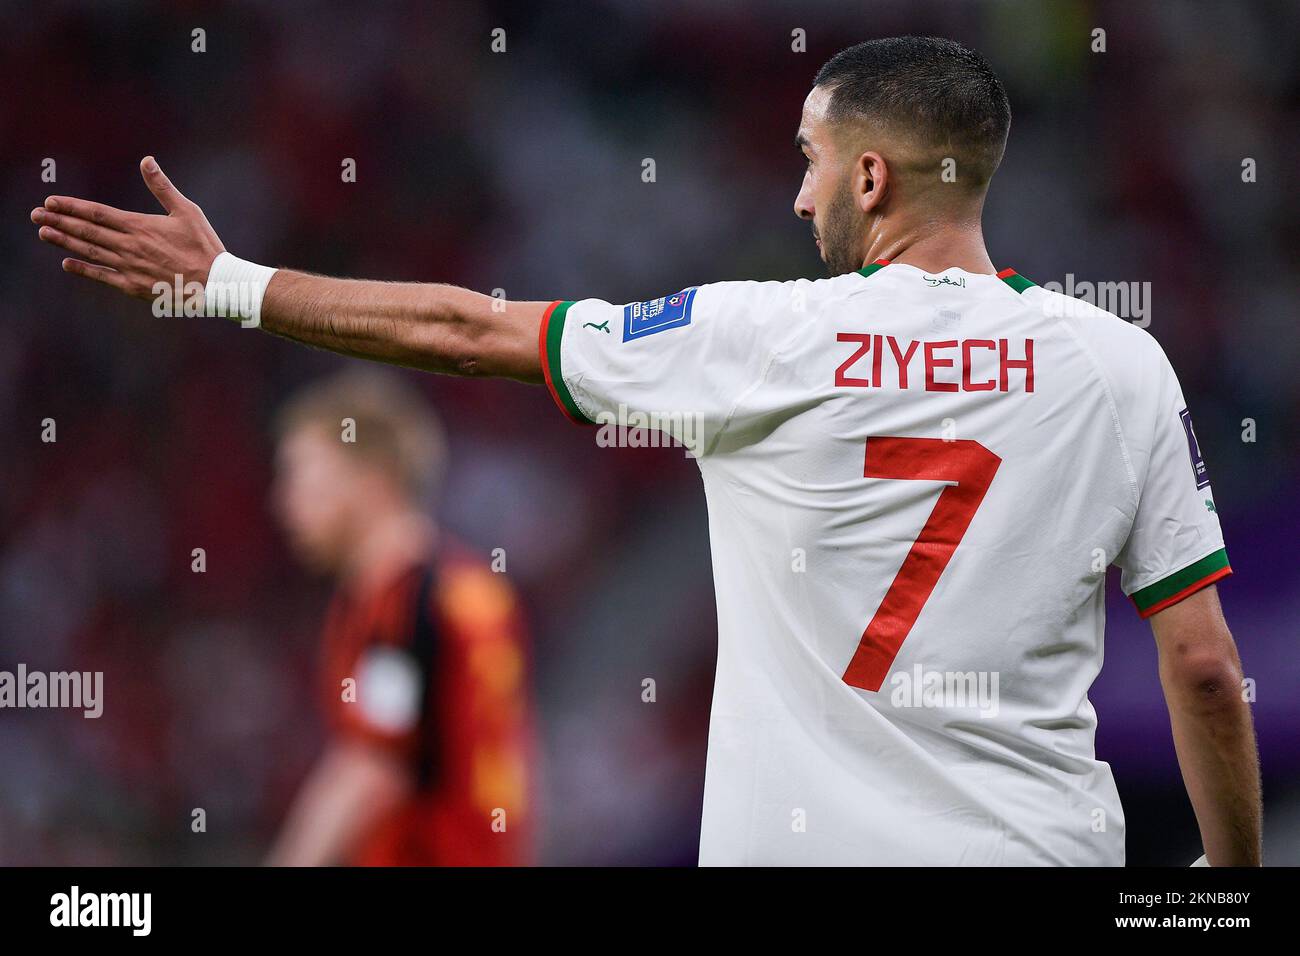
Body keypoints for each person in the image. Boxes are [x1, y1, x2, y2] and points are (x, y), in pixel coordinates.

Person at [30, 36, 1260, 866]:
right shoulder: (1119, 364)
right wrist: (1223, 877)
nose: (796, 196)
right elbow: (1201, 666)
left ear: (871, 176)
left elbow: (468, 327)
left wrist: (232, 284)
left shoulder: (756, 337)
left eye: (811, 162)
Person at [265, 368, 533, 865]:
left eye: (302, 476)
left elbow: (374, 764)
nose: (284, 502)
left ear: (369, 480)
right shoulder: (468, 588)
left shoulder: (405, 601)